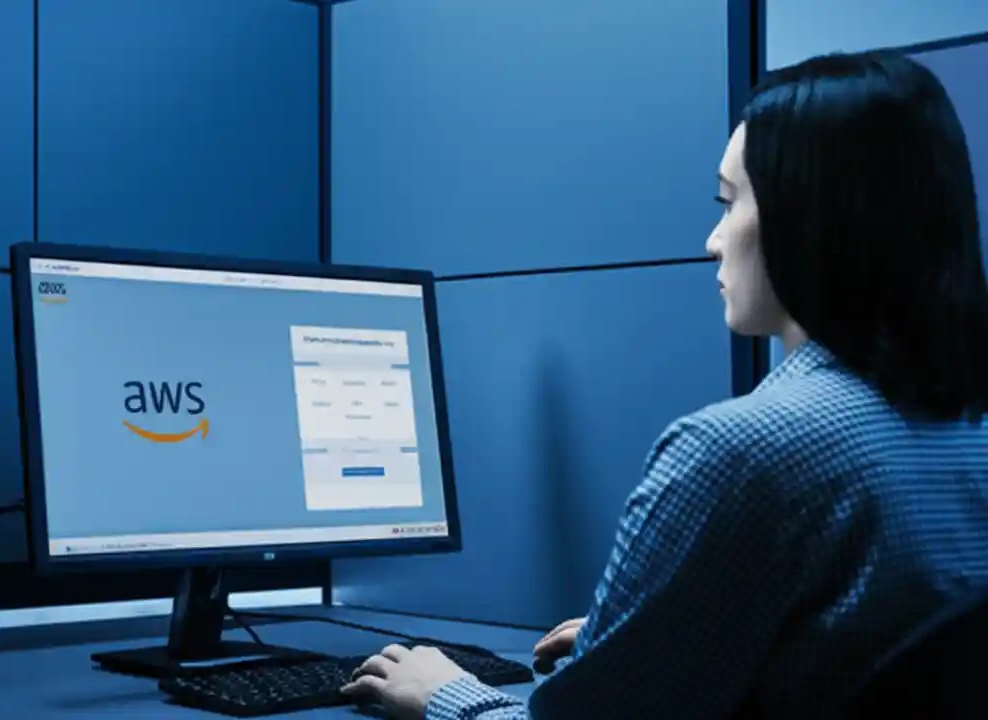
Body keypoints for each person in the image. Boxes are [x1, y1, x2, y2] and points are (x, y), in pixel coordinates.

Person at [340, 49, 988, 719]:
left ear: (808, 217)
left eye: (729, 202)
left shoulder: (741, 450)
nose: (713, 240)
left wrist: (443, 694)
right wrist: (639, 640)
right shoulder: (968, 432)